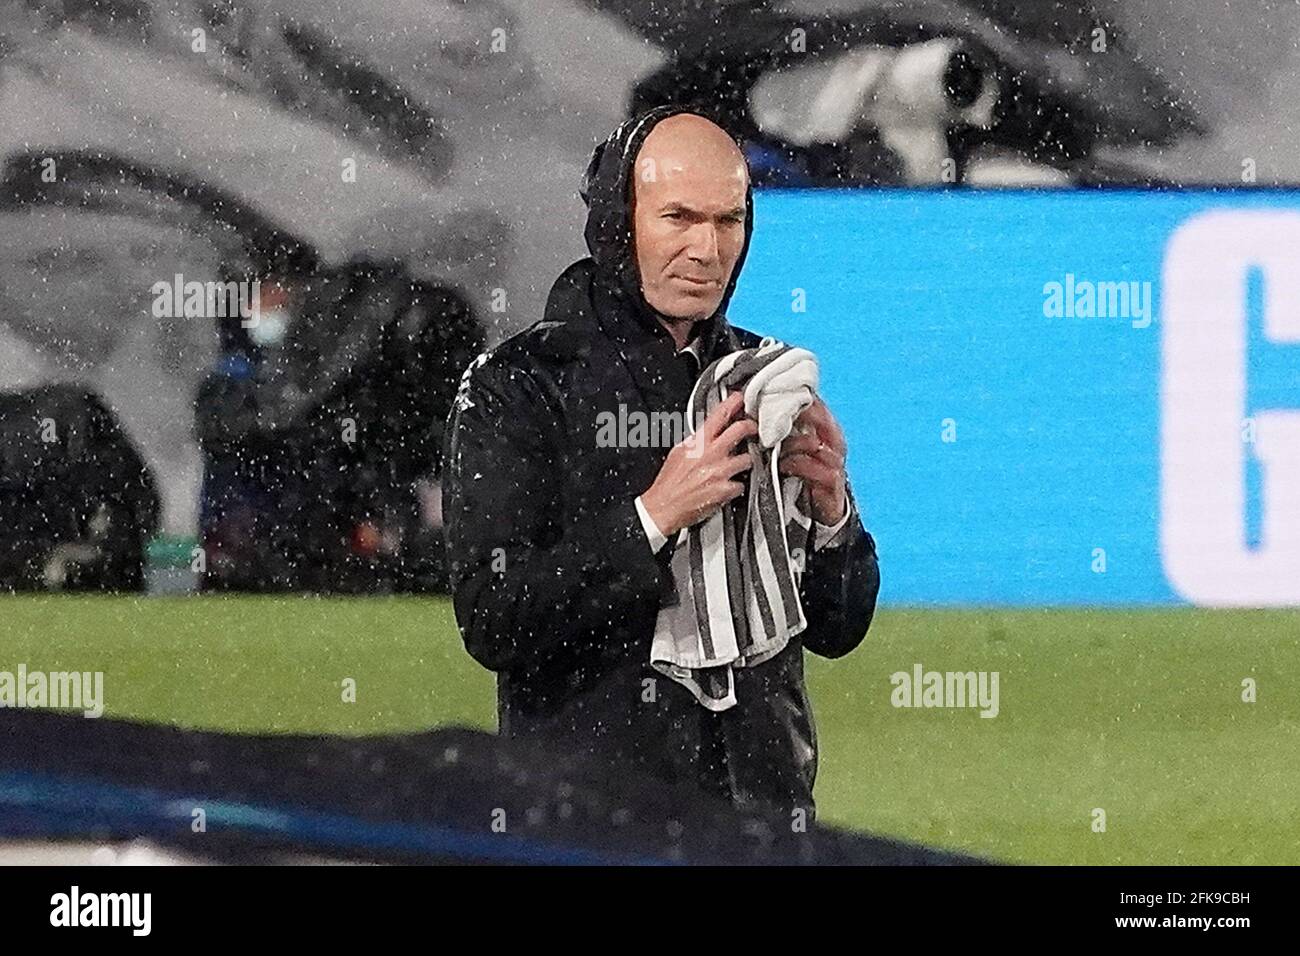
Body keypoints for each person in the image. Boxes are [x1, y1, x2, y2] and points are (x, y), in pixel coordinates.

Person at [443, 105, 880, 819]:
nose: (707, 249)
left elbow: (838, 629)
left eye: (727, 221)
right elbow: (494, 619)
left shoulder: (764, 376)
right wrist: (652, 517)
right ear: (619, 223)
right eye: (678, 217)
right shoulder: (518, 384)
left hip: (764, 814)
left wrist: (834, 519)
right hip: (591, 818)